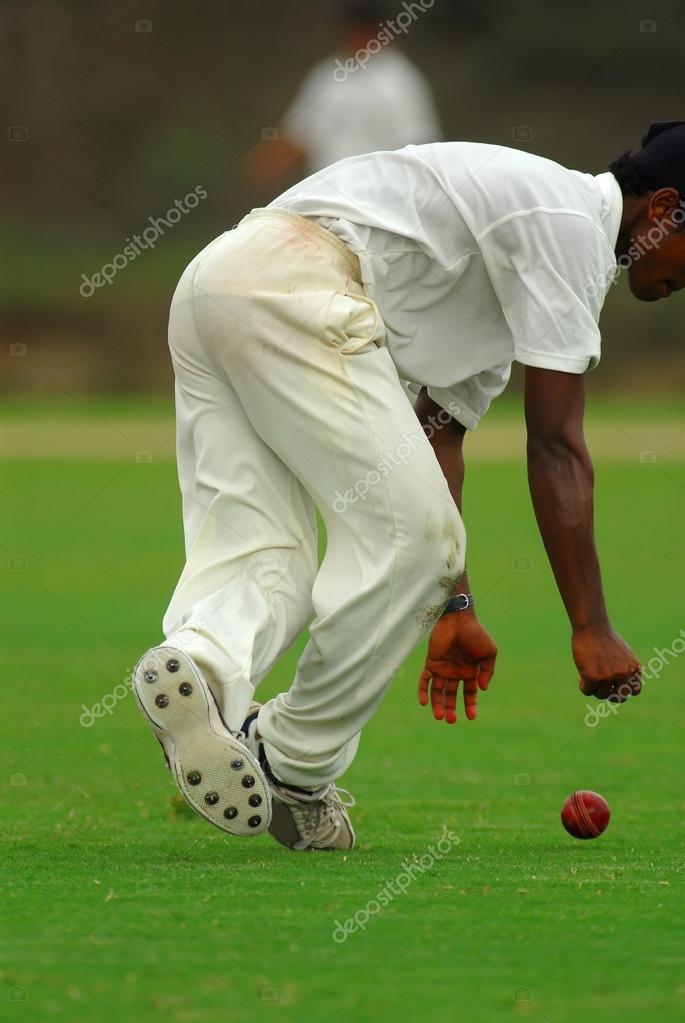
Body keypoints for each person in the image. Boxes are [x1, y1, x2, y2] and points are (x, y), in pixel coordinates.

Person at [133, 121, 685, 852]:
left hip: (215, 282)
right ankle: (291, 763)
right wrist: (589, 626)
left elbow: (438, 436)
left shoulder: (520, 255)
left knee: (265, 542)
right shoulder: (568, 228)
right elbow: (554, 445)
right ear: (664, 209)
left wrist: (453, 604)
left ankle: (199, 665)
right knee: (414, 540)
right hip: (299, 283)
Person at [243, 1, 441, 188]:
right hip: (324, 196)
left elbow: (418, 146)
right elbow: (299, 135)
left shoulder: (400, 81)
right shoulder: (328, 75)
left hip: (375, 202)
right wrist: (262, 166)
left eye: (360, 30)